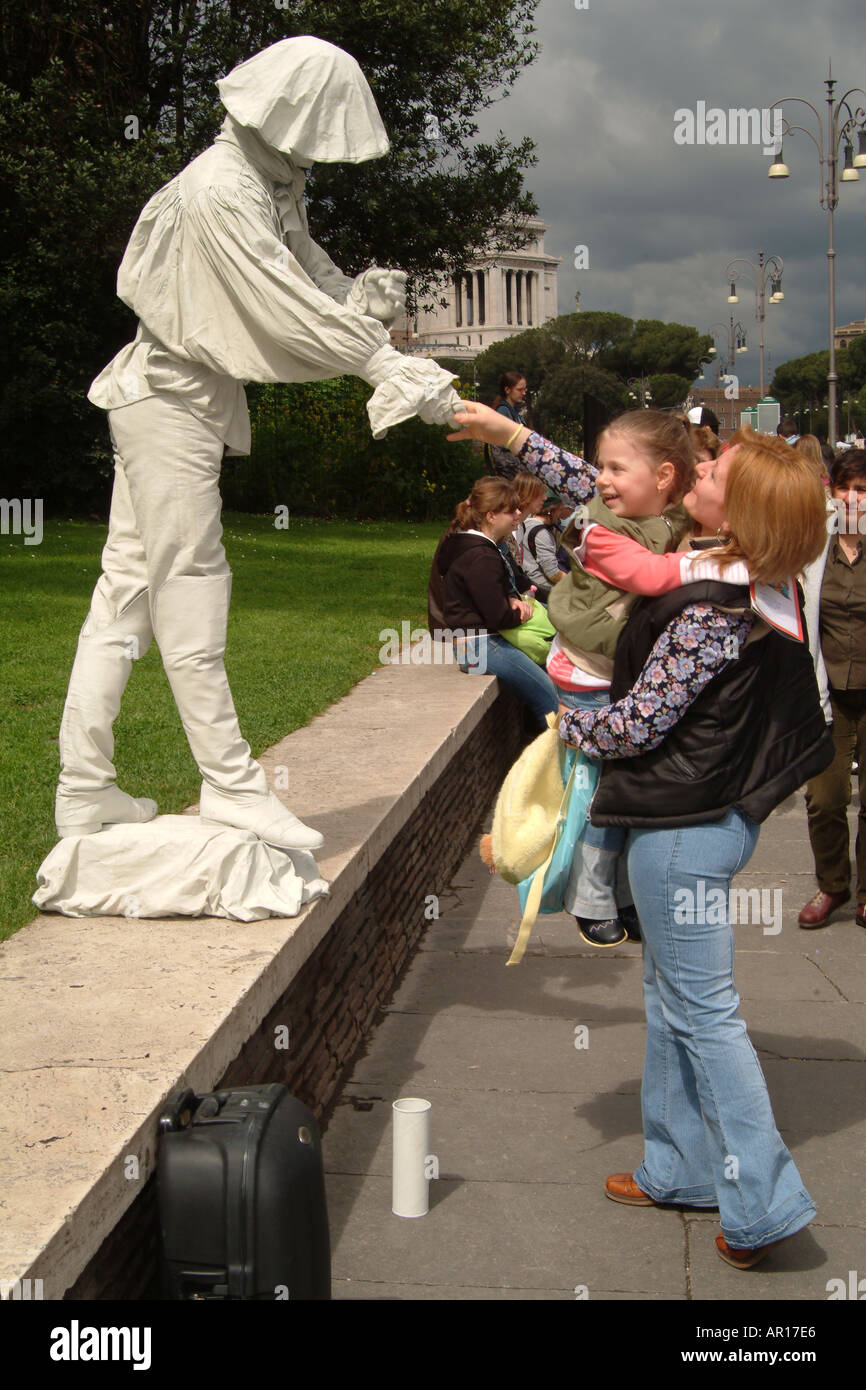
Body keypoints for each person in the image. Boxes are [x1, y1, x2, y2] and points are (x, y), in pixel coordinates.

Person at [449, 401, 833, 1268]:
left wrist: (564, 730)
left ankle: (763, 1206)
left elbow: (634, 726)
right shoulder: (745, 574)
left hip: (681, 831)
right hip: (709, 817)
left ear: (737, 512)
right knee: (674, 1002)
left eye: (709, 474)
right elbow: (599, 489)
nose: (696, 470)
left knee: (704, 1013)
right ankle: (680, 1167)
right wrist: (512, 438)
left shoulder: (706, 607)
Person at [55, 37, 460, 850]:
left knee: (125, 596)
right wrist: (384, 362)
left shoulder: (268, 179)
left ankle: (84, 790)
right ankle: (231, 785)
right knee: (190, 586)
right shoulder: (219, 191)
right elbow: (279, 305)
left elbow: (303, 269)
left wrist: (358, 295)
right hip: (166, 401)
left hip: (181, 399)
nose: (319, 154)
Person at [799, 447, 866, 930]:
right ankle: (833, 885)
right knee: (825, 796)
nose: (851, 498)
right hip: (828, 691)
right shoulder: (814, 546)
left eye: (861, 490)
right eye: (843, 487)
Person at [435, 478, 558, 727]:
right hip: (481, 647)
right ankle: (560, 761)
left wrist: (511, 598)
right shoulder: (481, 556)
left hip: (476, 644)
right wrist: (521, 612)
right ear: (491, 516)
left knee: (552, 683)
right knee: (551, 701)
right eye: (510, 510)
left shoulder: (470, 547)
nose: (517, 514)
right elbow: (498, 616)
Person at [484, 371, 528, 480]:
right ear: (507, 390)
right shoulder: (503, 411)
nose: (523, 393)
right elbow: (501, 445)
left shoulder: (513, 411)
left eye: (525, 389)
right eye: (519, 390)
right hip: (510, 475)